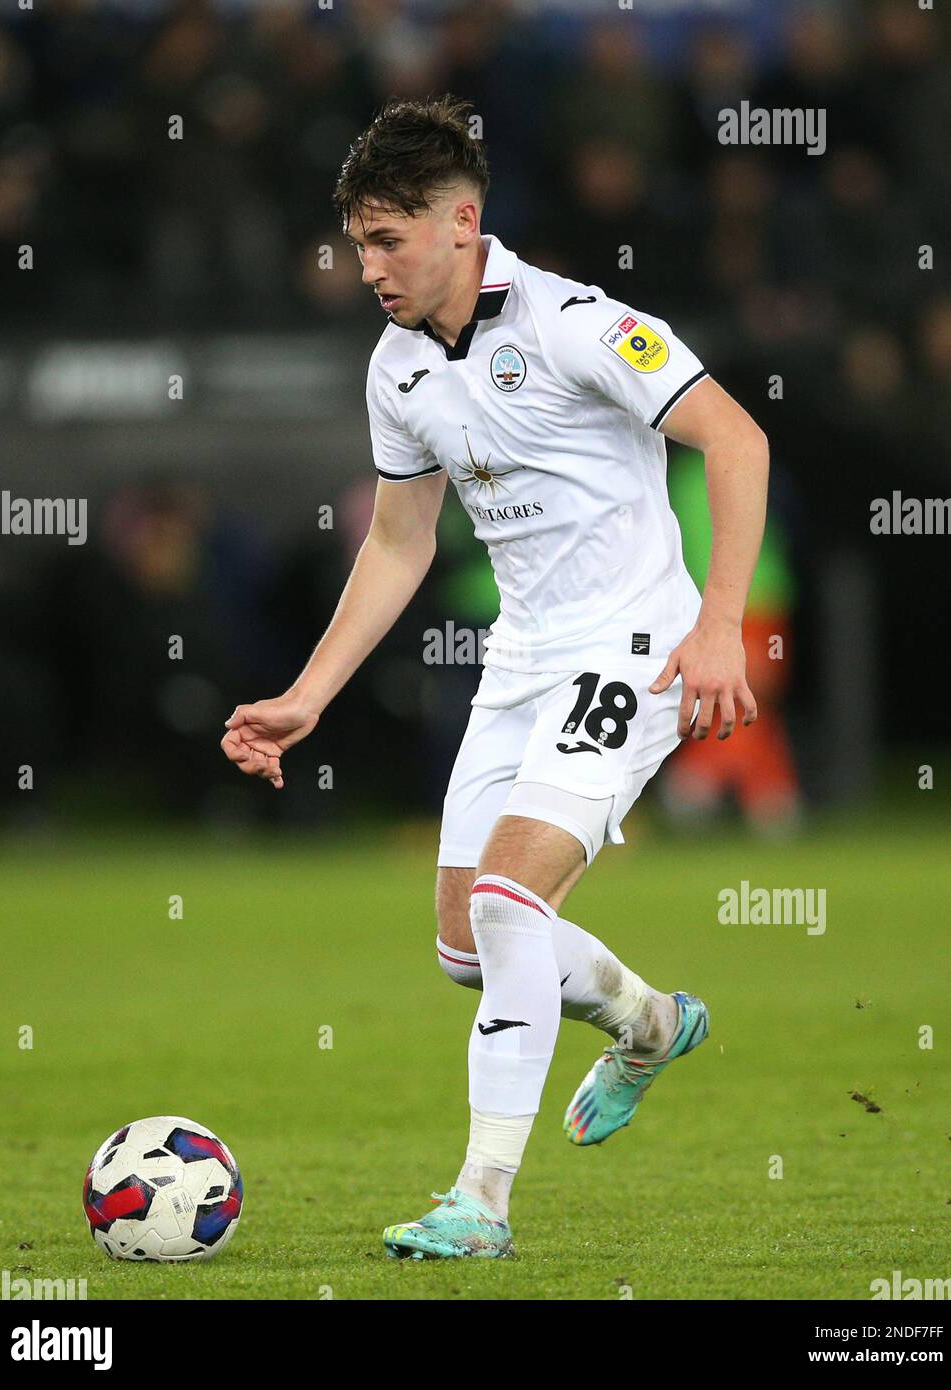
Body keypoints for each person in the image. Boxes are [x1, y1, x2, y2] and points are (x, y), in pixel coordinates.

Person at [220, 96, 768, 1260]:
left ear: (462, 222)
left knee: (513, 901)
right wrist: (308, 694)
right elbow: (399, 542)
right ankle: (651, 1023)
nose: (367, 265)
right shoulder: (397, 367)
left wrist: (721, 627)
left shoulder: (581, 324)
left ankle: (482, 1199)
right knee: (467, 950)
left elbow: (737, 439)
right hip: (520, 658)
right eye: (358, 242)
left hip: (633, 644)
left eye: (387, 239)